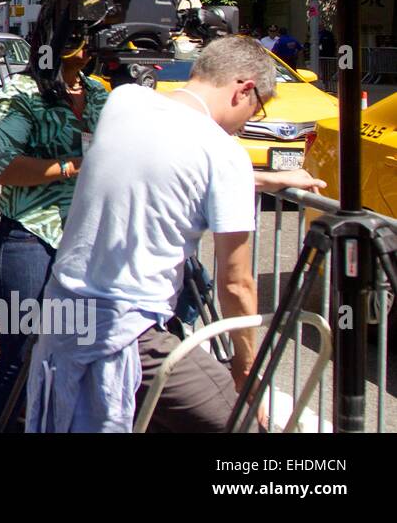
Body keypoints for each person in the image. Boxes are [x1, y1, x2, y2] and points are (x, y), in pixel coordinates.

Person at [25, 37, 327, 432]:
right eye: (256, 109)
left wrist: (262, 178)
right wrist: (246, 367)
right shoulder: (223, 154)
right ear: (244, 89)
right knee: (243, 425)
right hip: (127, 329)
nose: (248, 121)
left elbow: (164, 167)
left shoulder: (125, 102)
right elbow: (236, 284)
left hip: (65, 311)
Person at [0, 4, 109, 433]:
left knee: (80, 348)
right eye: (83, 35)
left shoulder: (100, 93)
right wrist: (72, 167)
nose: (90, 46)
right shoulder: (23, 91)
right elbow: (5, 164)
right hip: (29, 238)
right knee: (21, 354)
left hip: (85, 241)